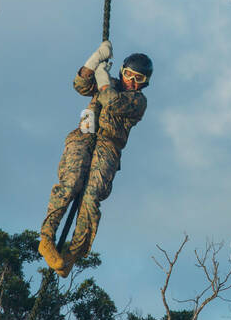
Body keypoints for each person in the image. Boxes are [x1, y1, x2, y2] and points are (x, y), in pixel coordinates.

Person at [39, 41, 151, 276]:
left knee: (90, 199)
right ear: (122, 71)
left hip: (109, 146)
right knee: (70, 183)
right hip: (85, 135)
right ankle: (47, 238)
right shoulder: (107, 81)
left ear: (145, 82)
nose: (131, 81)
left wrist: (102, 77)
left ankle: (73, 253)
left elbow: (112, 101)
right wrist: (95, 60)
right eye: (129, 74)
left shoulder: (138, 101)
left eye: (138, 78)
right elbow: (80, 84)